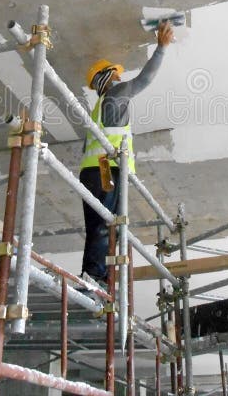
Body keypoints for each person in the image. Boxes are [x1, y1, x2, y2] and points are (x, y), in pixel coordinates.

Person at [79, 21, 174, 285]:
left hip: (92, 172)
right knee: (106, 225)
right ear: (108, 78)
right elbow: (144, 80)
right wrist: (161, 48)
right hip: (105, 170)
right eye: (116, 74)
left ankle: (96, 274)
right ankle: (96, 276)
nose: (121, 78)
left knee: (99, 226)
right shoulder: (115, 94)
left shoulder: (98, 108)